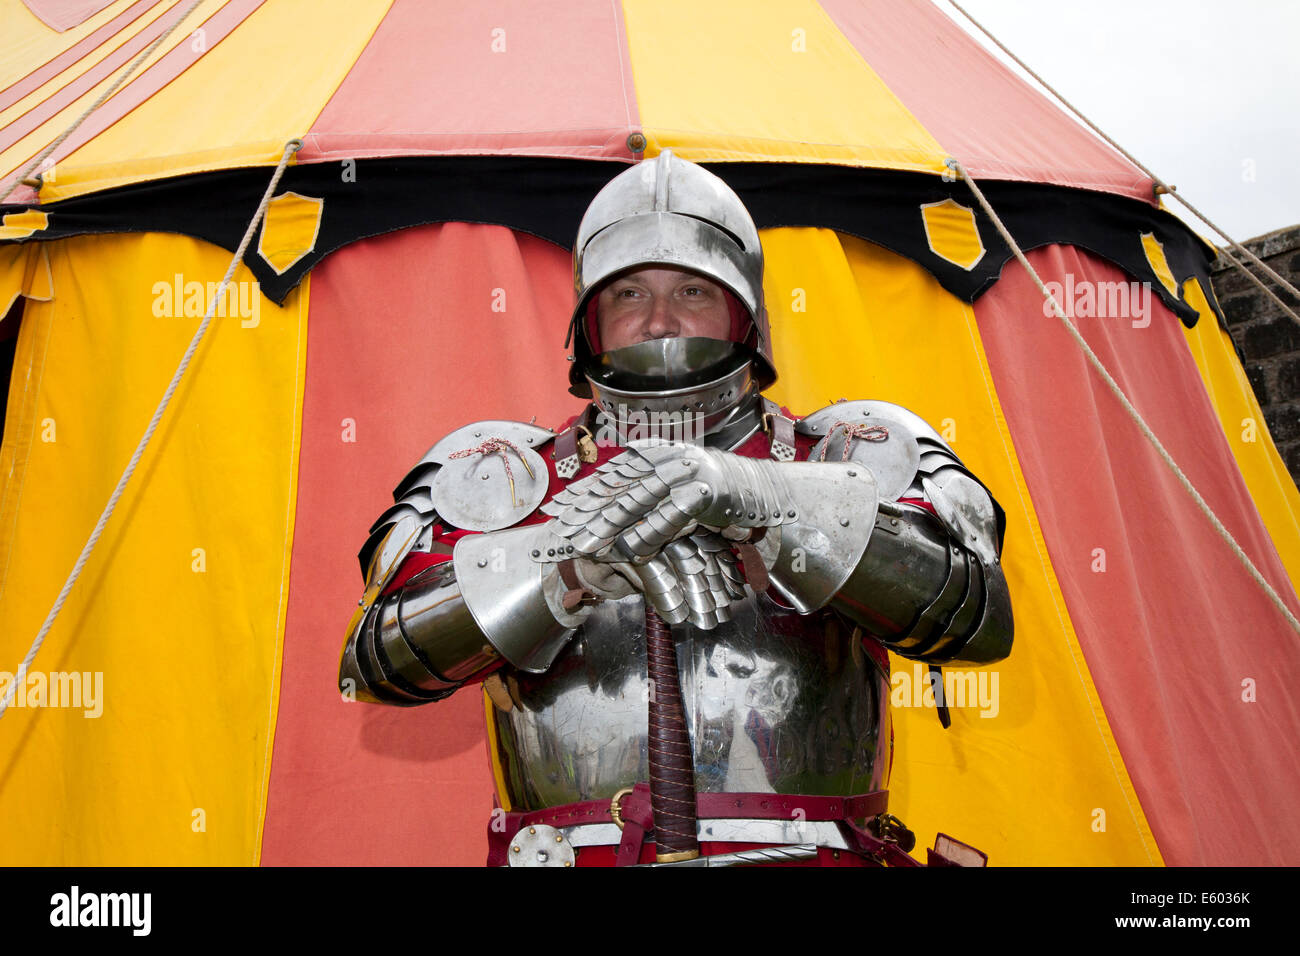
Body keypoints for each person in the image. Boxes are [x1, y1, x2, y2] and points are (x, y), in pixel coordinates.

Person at [339, 151, 1012, 867]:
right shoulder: (504, 474)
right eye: (628, 294)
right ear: (589, 321)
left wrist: (765, 497)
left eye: (693, 291)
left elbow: (978, 620)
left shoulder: (844, 453)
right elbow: (373, 664)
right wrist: (567, 571)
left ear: (743, 313)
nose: (660, 320)